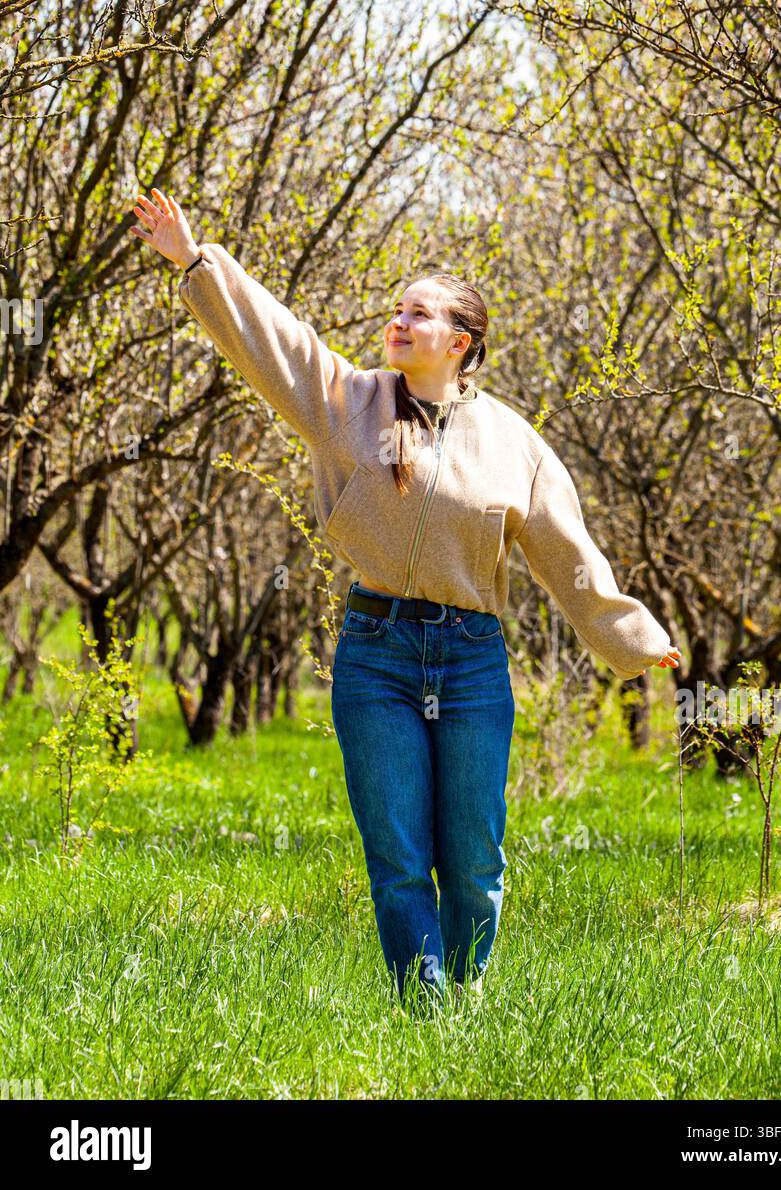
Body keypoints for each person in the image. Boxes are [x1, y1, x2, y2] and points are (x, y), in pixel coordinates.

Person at [129, 187, 682, 1007]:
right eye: (396, 309)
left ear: (459, 341)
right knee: (395, 855)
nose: (398, 322)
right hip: (375, 654)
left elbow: (566, 551)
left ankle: (467, 1000)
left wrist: (630, 637)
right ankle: (426, 1011)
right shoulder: (347, 403)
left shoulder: (512, 442)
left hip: (469, 660)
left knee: (473, 856)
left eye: (418, 314)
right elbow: (273, 340)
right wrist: (195, 259)